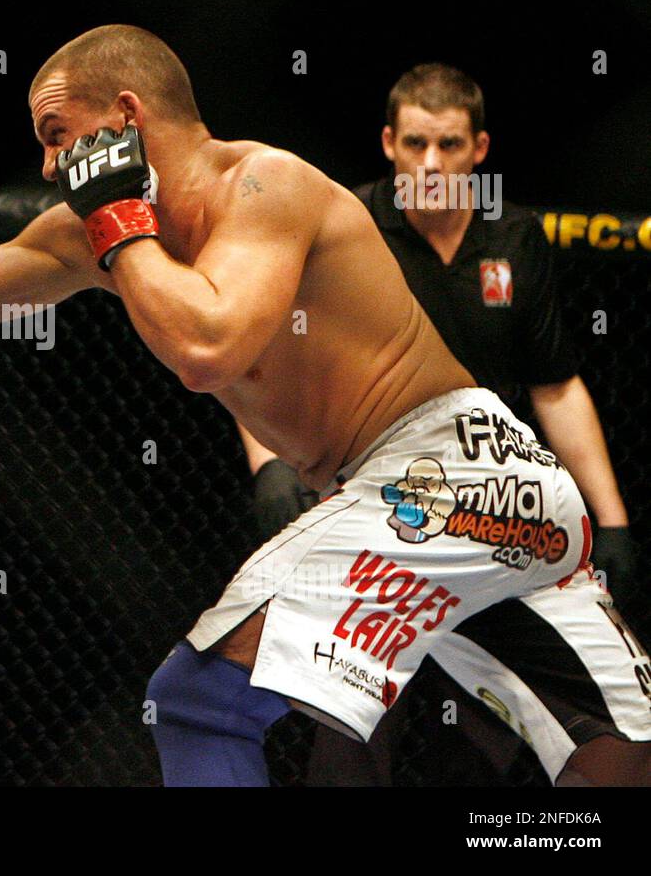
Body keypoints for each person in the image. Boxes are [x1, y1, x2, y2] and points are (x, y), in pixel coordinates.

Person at [0, 24, 651, 786]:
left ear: (122, 118)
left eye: (58, 135)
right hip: (491, 497)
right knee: (610, 751)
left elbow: (208, 345)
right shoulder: (88, 230)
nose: (49, 164)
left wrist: (122, 222)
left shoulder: (264, 184)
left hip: (438, 473)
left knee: (201, 701)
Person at [241, 62, 637, 784]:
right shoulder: (346, 231)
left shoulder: (513, 239)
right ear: (389, 142)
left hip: (494, 516)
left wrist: (610, 520)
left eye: (450, 144)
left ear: (478, 149)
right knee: (350, 719)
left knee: (494, 729)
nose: (431, 163)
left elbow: (556, 386)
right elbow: (266, 357)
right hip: (377, 510)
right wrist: (268, 463)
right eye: (416, 143)